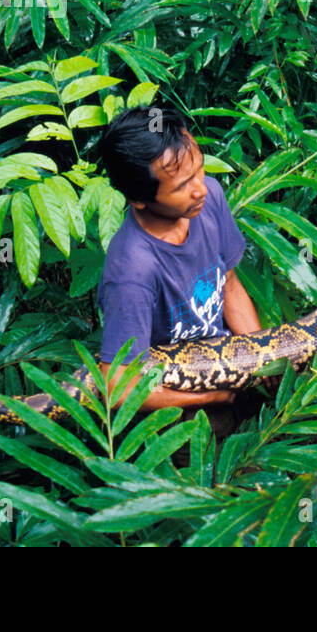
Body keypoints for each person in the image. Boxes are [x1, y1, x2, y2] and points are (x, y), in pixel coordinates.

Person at [95, 105, 262, 432]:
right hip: (173, 409)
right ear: (137, 198)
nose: (199, 187)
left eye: (198, 170)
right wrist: (211, 398)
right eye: (182, 185)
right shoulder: (132, 268)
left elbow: (229, 286)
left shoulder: (208, 197)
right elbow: (116, 386)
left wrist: (260, 360)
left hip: (228, 370)